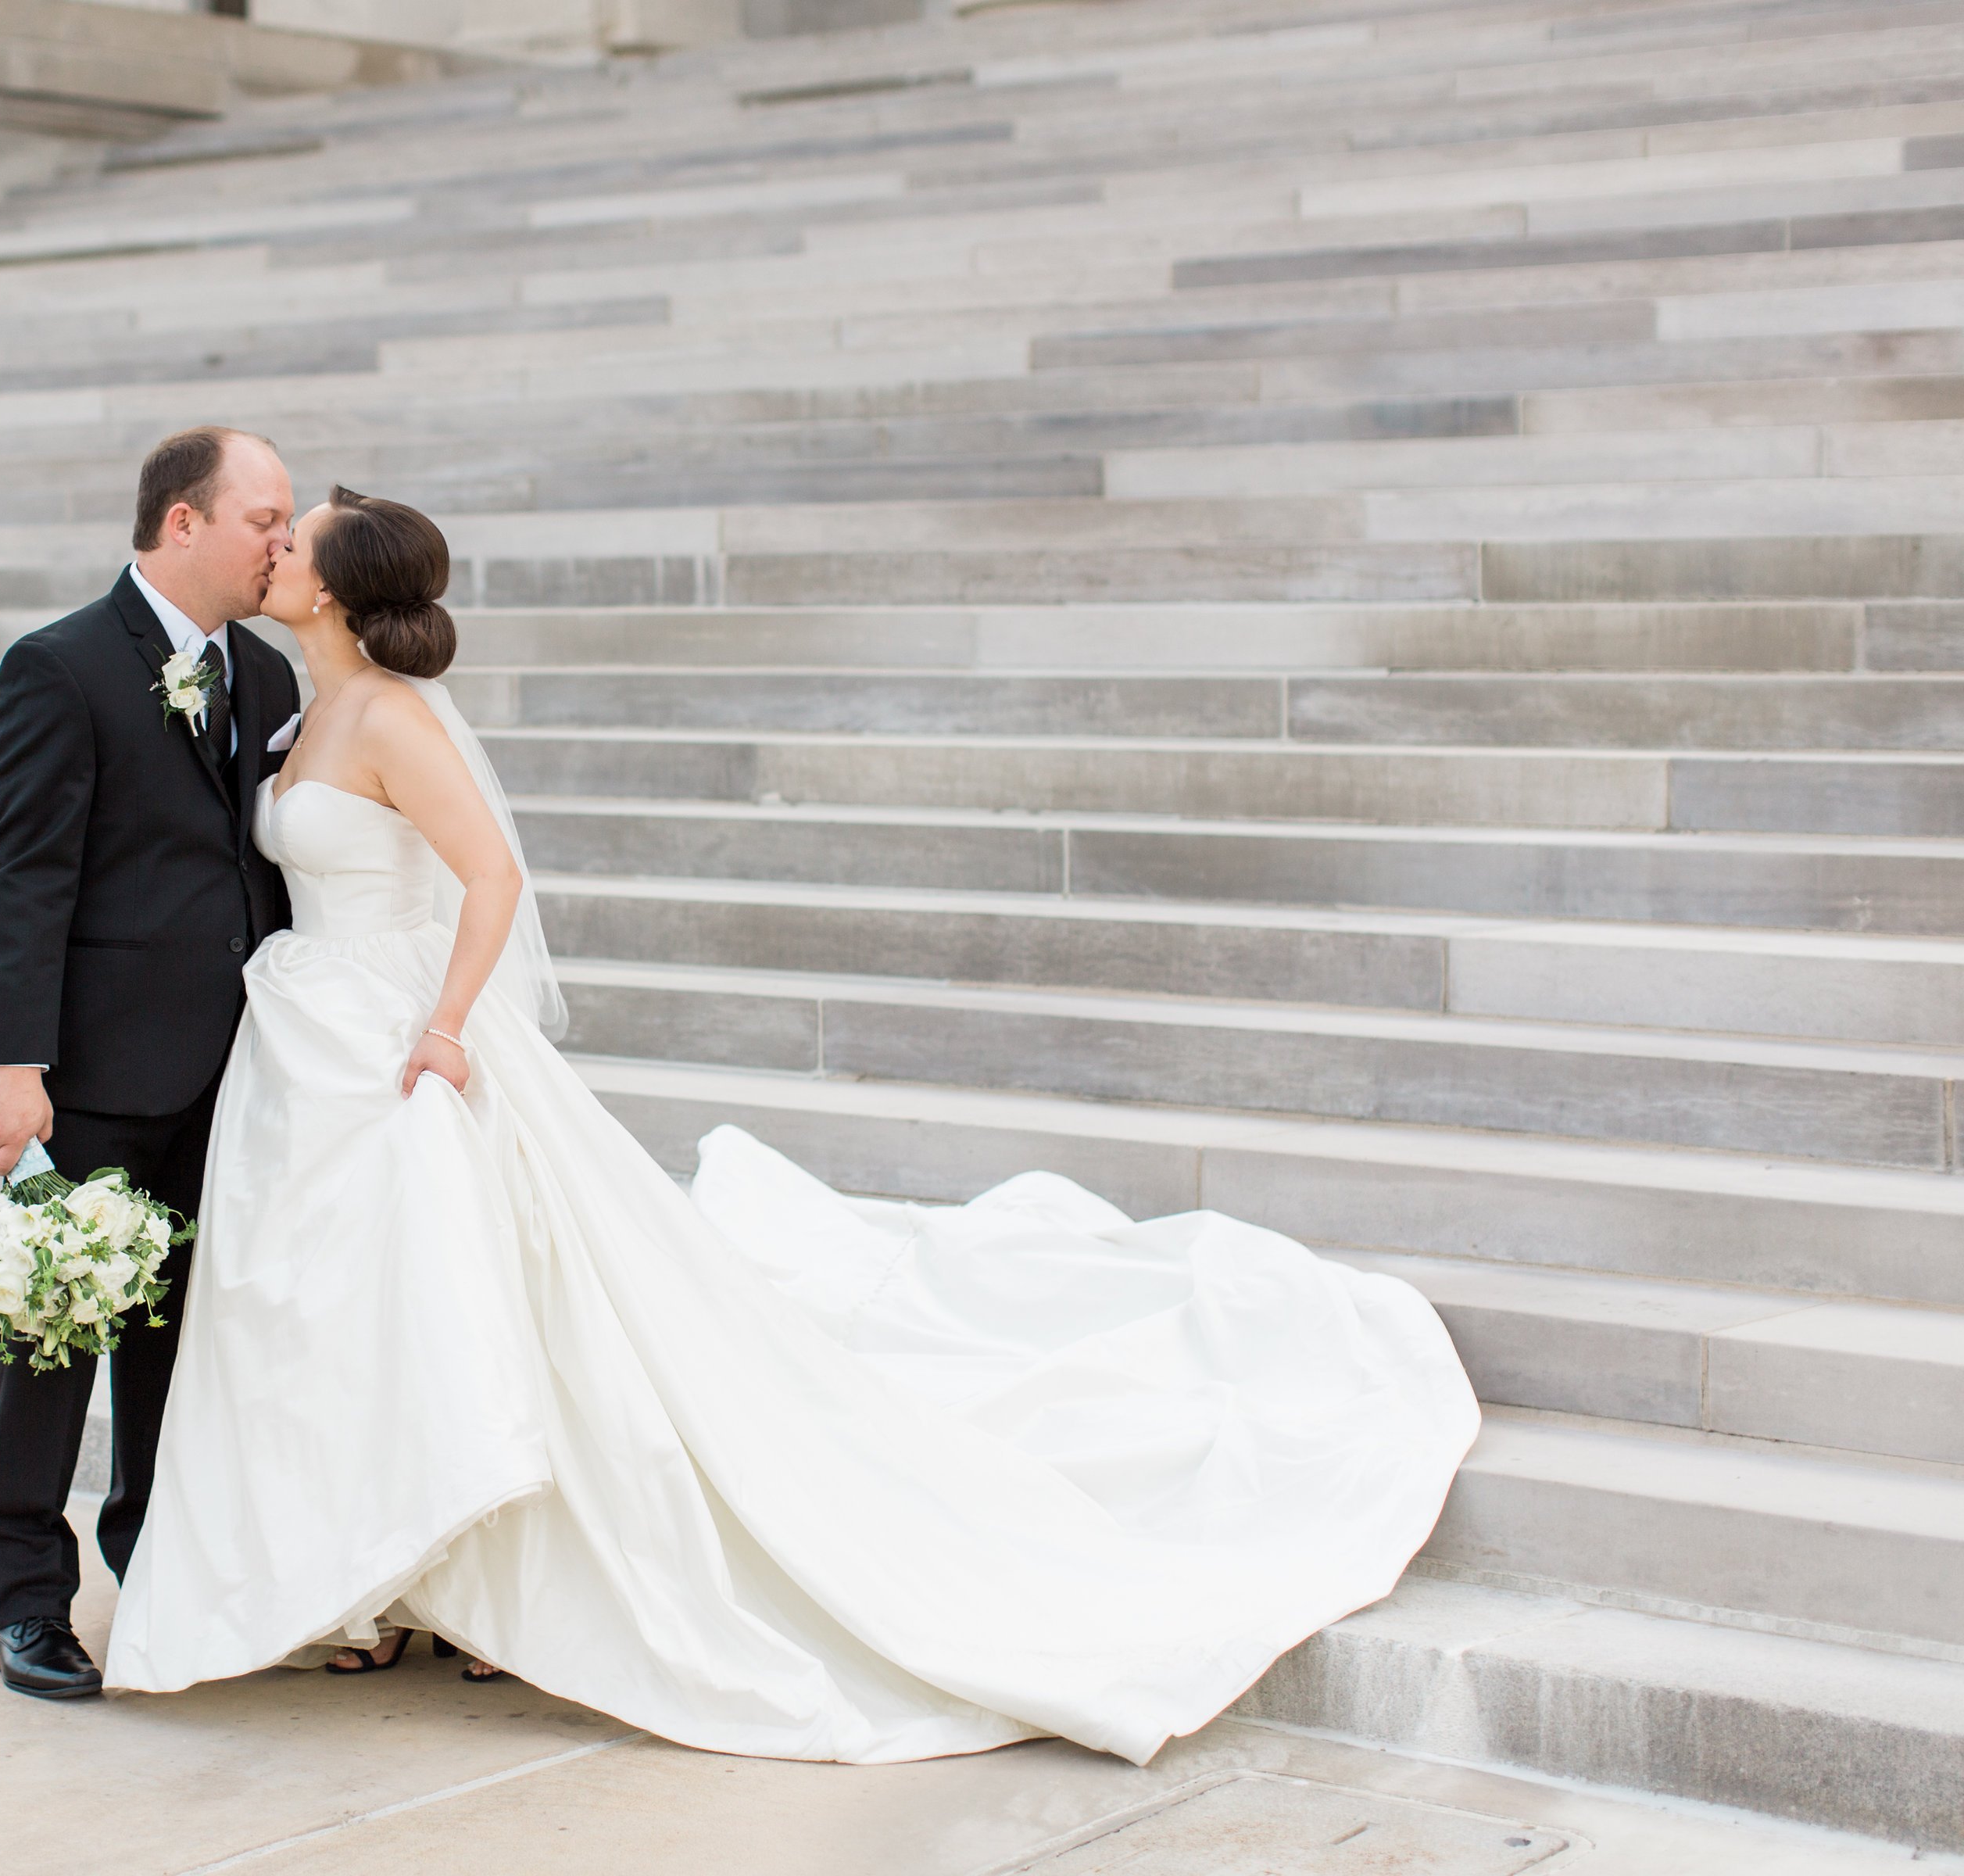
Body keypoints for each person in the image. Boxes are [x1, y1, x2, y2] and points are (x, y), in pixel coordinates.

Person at [95, 486, 1483, 1765]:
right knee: (363, 1316)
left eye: (297, 538)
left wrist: (447, 1032)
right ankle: (391, 1576)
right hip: (310, 1046)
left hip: (403, 1044)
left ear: (331, 590)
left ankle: (508, 1582)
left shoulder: (392, 716)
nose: (273, 547)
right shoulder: (286, 704)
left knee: (481, 1309)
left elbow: (492, 876)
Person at [0, 427, 302, 1699]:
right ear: (182, 526)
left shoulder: (263, 678)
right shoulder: (60, 667)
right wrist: (10, 1061)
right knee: (55, 1332)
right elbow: (22, 873)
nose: (283, 538)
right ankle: (25, 1601)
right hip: (92, 1069)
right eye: (264, 517)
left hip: (234, 1077)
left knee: (179, 1345)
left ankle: (153, 1563)